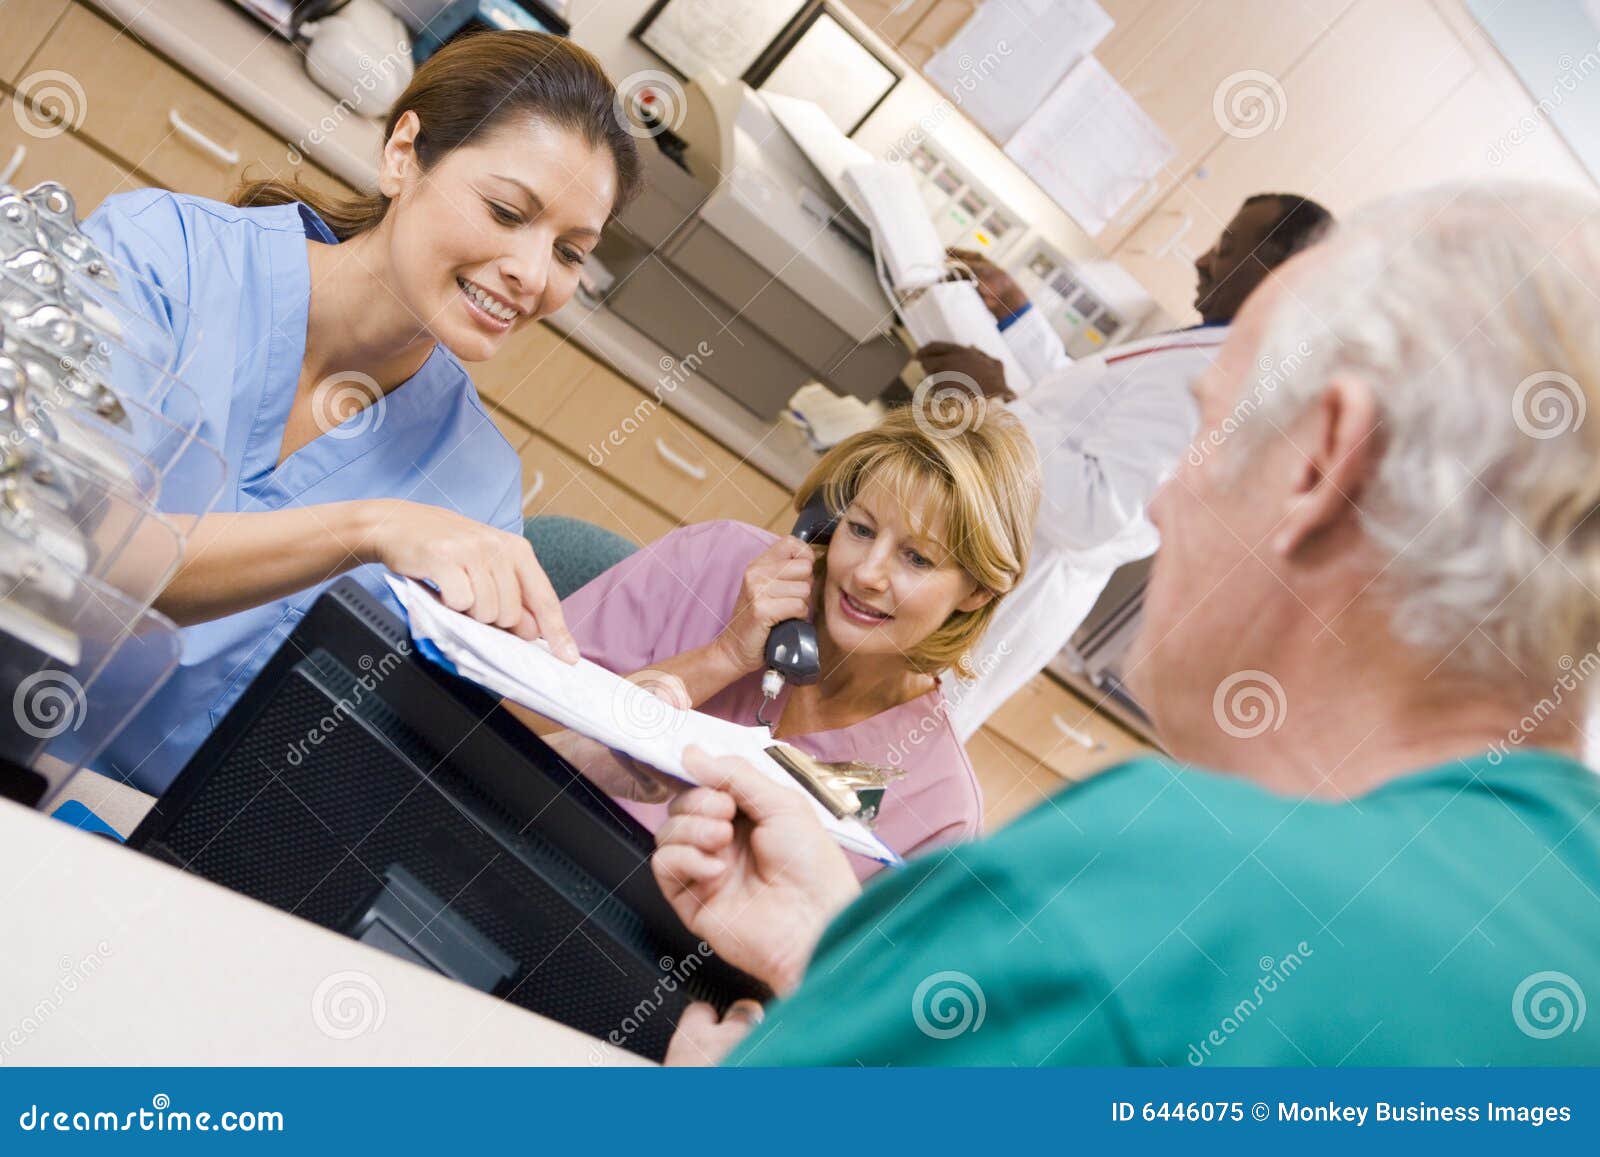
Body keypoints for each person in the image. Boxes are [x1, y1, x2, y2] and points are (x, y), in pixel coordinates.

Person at [649, 183, 1600, 1066]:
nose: (1174, 501)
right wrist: (849, 970)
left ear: (1321, 464)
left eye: (1215, 434)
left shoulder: (1159, 883)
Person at [83, 32, 641, 793]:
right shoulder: (161, 257)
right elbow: (91, 550)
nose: (532, 273)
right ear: (403, 155)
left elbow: (426, 731)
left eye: (572, 252)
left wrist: (611, 744)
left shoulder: (476, 481)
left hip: (165, 842)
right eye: (507, 211)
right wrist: (367, 529)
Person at [552, 403, 1040, 877]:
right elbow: (503, 713)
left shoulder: (940, 809)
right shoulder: (717, 561)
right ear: (828, 519)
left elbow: (828, 960)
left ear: (977, 591)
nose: (867, 573)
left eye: (917, 559)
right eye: (861, 529)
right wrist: (722, 657)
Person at [917, 194, 1333, 737]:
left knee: (876, 751)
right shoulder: (1211, 349)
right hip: (990, 560)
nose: (1202, 258)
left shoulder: (1225, 380)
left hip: (1008, 583)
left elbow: (1094, 512)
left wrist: (996, 403)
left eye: (1227, 248)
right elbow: (1078, 414)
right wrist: (1018, 317)